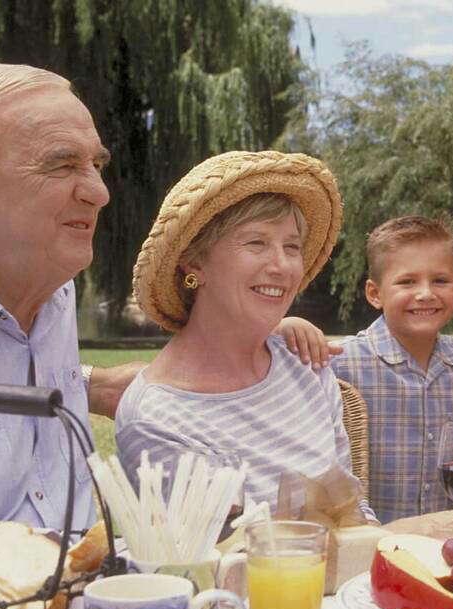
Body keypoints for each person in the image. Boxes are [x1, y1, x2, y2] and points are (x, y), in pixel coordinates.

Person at [117, 150, 374, 521]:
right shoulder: (157, 418)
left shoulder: (305, 365)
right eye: (256, 243)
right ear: (195, 262)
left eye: (291, 247)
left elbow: (352, 512)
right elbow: (199, 567)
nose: (282, 266)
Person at [0, 64, 136, 532]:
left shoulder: (51, 286)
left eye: (96, 165)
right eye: (62, 165)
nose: (100, 193)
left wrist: (89, 383)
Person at [328, 215, 453, 523]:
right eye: (407, 281)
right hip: (368, 544)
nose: (425, 293)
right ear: (375, 294)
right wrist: (287, 328)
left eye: (440, 280)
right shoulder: (342, 365)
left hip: (437, 544)